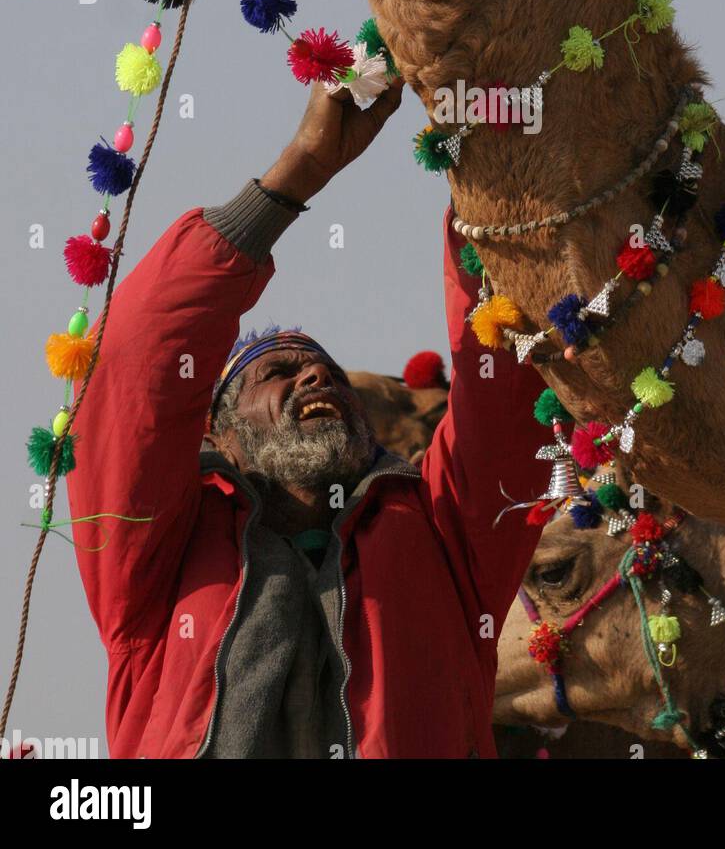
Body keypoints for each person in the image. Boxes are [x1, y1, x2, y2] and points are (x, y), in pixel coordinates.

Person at [67, 79, 549, 758]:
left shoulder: (443, 533)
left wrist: (486, 152)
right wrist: (303, 167)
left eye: (322, 369)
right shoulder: (158, 558)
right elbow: (133, 366)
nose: (316, 375)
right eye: (278, 374)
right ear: (220, 436)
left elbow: (506, 400)